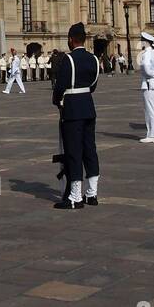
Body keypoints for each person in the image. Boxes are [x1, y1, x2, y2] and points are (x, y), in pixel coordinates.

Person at [51, 23, 100, 209]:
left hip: (72, 108)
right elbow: (93, 84)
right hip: (88, 105)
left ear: (71, 39)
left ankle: (75, 196)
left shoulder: (68, 59)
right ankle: (92, 193)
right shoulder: (93, 59)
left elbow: (60, 85)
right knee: (90, 149)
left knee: (73, 151)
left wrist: (56, 100)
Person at [137, 32, 154, 143]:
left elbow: (147, 71)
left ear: (145, 42)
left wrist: (153, 75)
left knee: (150, 111)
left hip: (149, 84)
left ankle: (152, 135)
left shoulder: (146, 54)